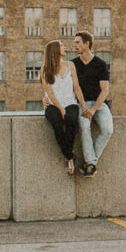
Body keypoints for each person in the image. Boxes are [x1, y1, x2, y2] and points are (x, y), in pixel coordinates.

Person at [72, 31, 112, 177]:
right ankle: (91, 163)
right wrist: (84, 107)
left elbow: (105, 90)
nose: (74, 45)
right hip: (81, 103)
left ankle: (90, 163)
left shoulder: (100, 64)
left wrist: (94, 109)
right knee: (84, 127)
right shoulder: (73, 64)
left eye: (77, 42)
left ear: (86, 44)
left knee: (108, 130)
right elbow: (74, 88)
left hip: (99, 104)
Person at [42, 39, 84, 176]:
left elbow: (76, 87)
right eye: (61, 46)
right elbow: (49, 92)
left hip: (70, 102)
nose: (65, 48)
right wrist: (60, 109)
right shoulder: (45, 69)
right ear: (55, 50)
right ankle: (69, 156)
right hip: (53, 104)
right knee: (57, 123)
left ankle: (67, 155)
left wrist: (83, 106)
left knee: (71, 120)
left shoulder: (70, 65)